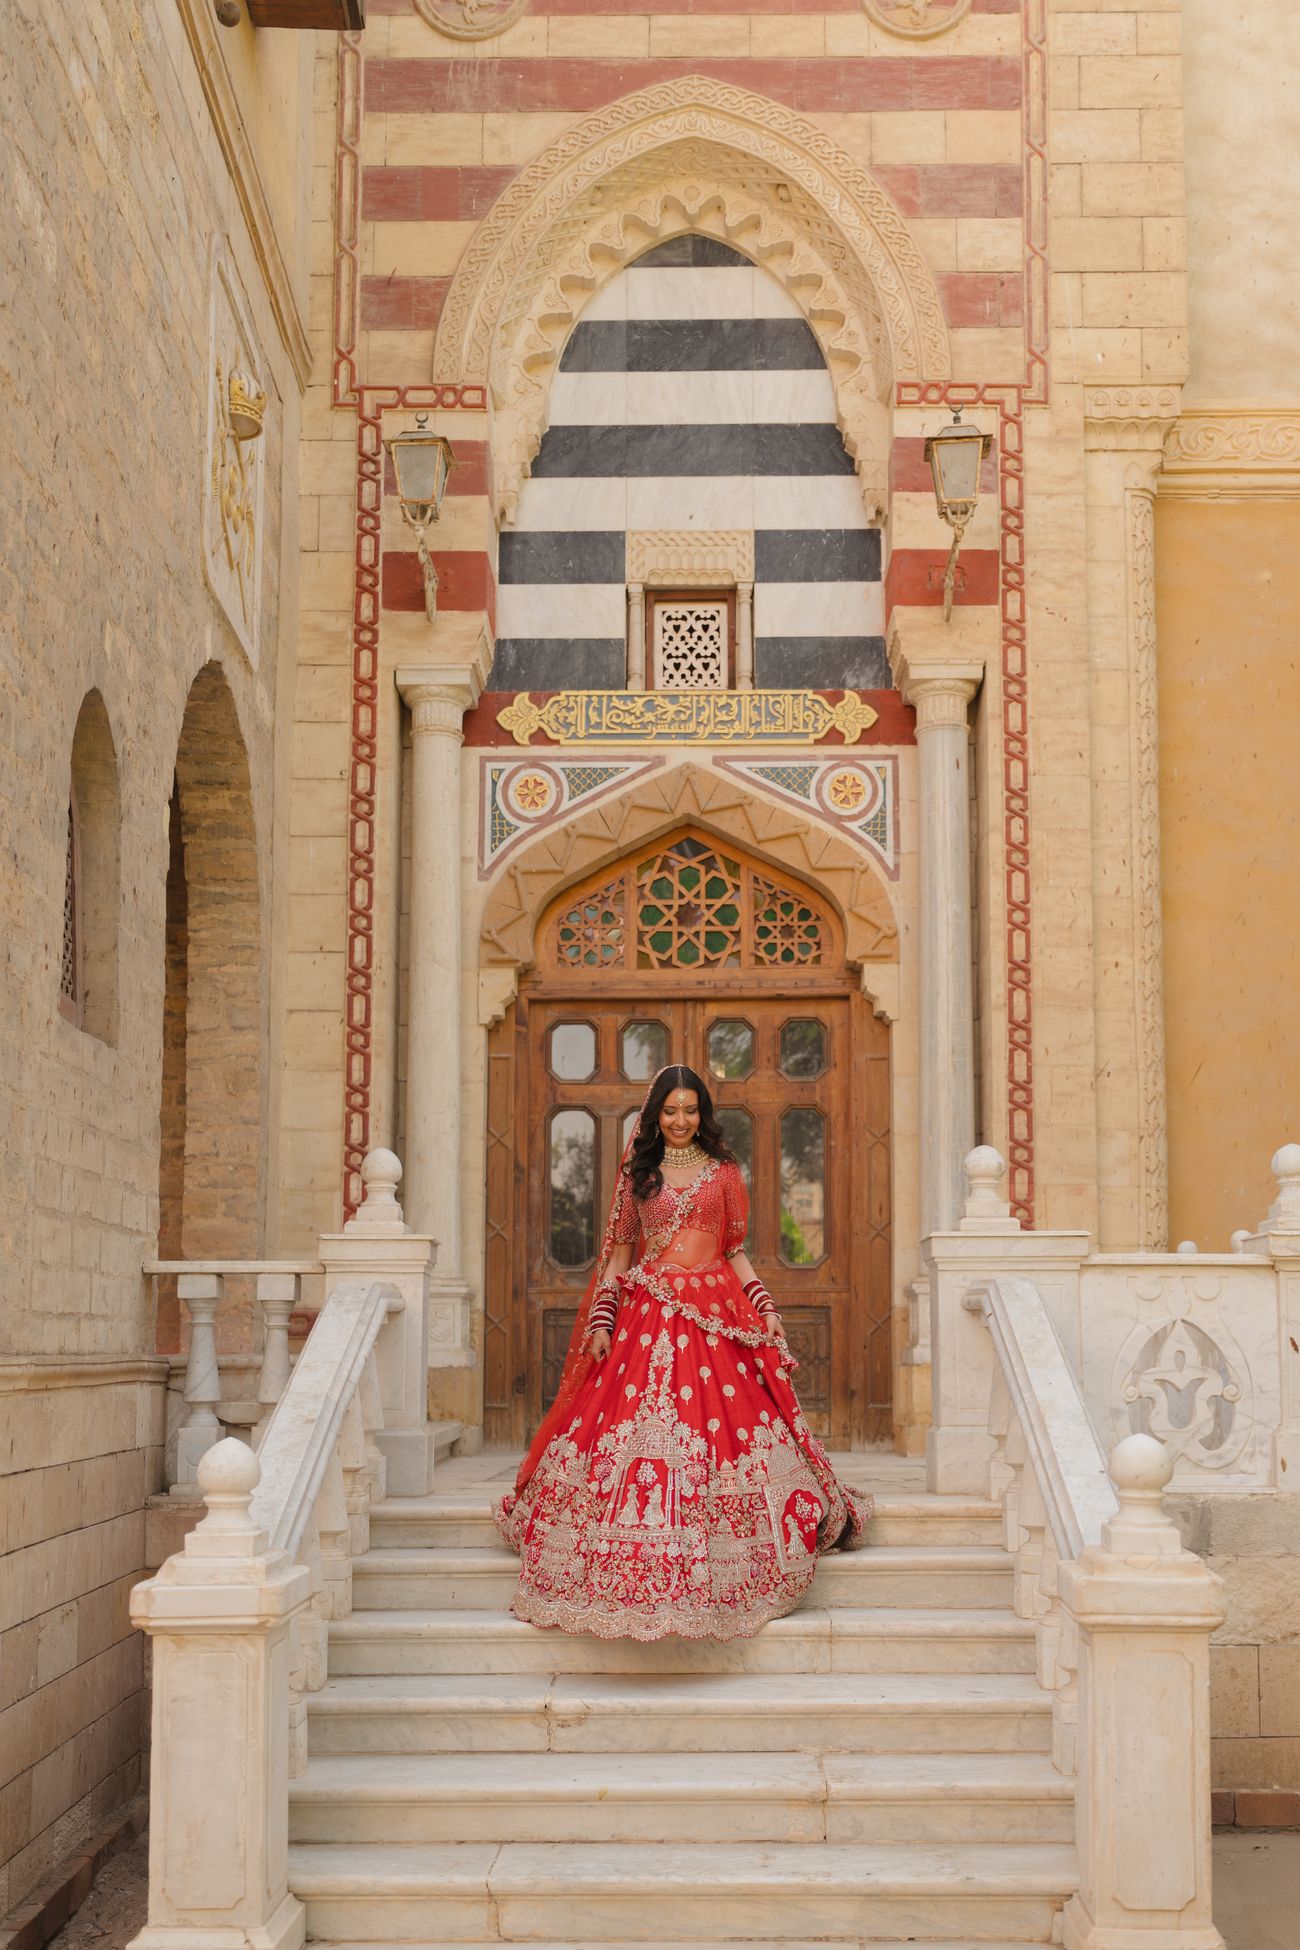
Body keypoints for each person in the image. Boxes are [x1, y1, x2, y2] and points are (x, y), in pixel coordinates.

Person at [495, 1063, 870, 1640]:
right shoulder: (637, 1176)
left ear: (703, 1113)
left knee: (722, 1428)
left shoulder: (723, 1173)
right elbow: (619, 1258)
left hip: (715, 1313)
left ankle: (730, 1553)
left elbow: (735, 1250)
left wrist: (764, 1304)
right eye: (670, 1110)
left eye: (690, 1109)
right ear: (655, 1116)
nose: (680, 1120)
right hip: (646, 1317)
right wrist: (602, 1319)